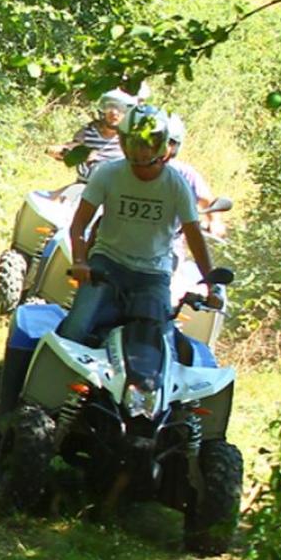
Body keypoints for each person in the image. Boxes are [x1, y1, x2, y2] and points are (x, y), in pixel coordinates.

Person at [56, 103, 219, 377]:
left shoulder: (176, 184)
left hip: (153, 273)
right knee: (76, 327)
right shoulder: (108, 173)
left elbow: (194, 238)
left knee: (163, 341)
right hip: (107, 264)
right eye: (133, 142)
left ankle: (163, 412)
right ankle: (44, 402)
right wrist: (81, 261)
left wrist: (212, 285)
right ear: (122, 141)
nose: (140, 150)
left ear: (162, 144)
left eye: (148, 142)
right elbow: (79, 225)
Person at [49, 86, 142, 183]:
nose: (114, 112)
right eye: (109, 107)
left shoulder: (131, 137)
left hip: (118, 188)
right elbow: (67, 147)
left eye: (119, 108)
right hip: (86, 185)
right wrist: (64, 152)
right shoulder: (87, 132)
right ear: (102, 110)